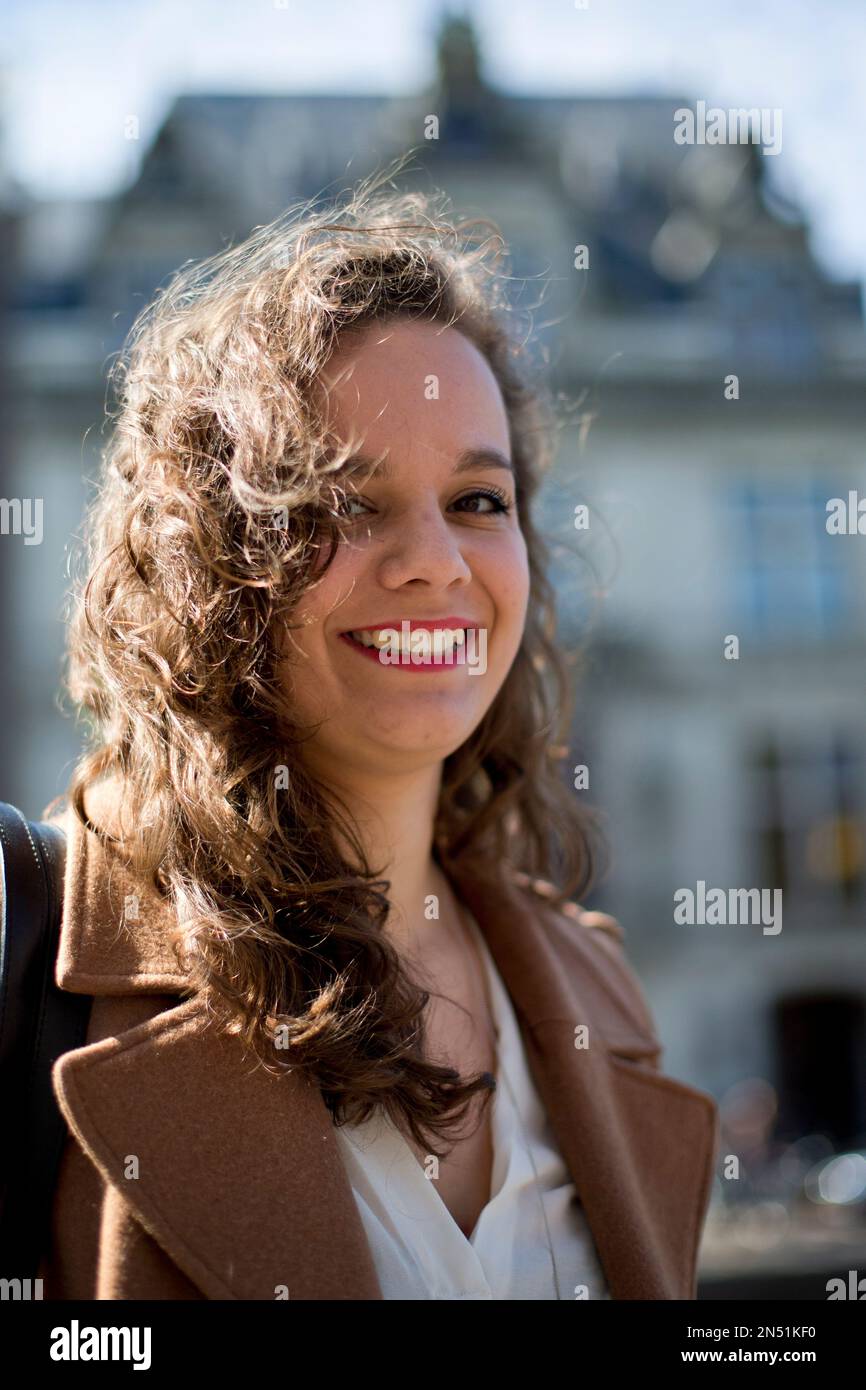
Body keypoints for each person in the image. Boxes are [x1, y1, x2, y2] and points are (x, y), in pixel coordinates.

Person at [36, 170, 719, 1301]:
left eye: (476, 500)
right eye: (346, 500)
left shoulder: (598, 990)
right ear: (212, 566)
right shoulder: (31, 964)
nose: (435, 563)